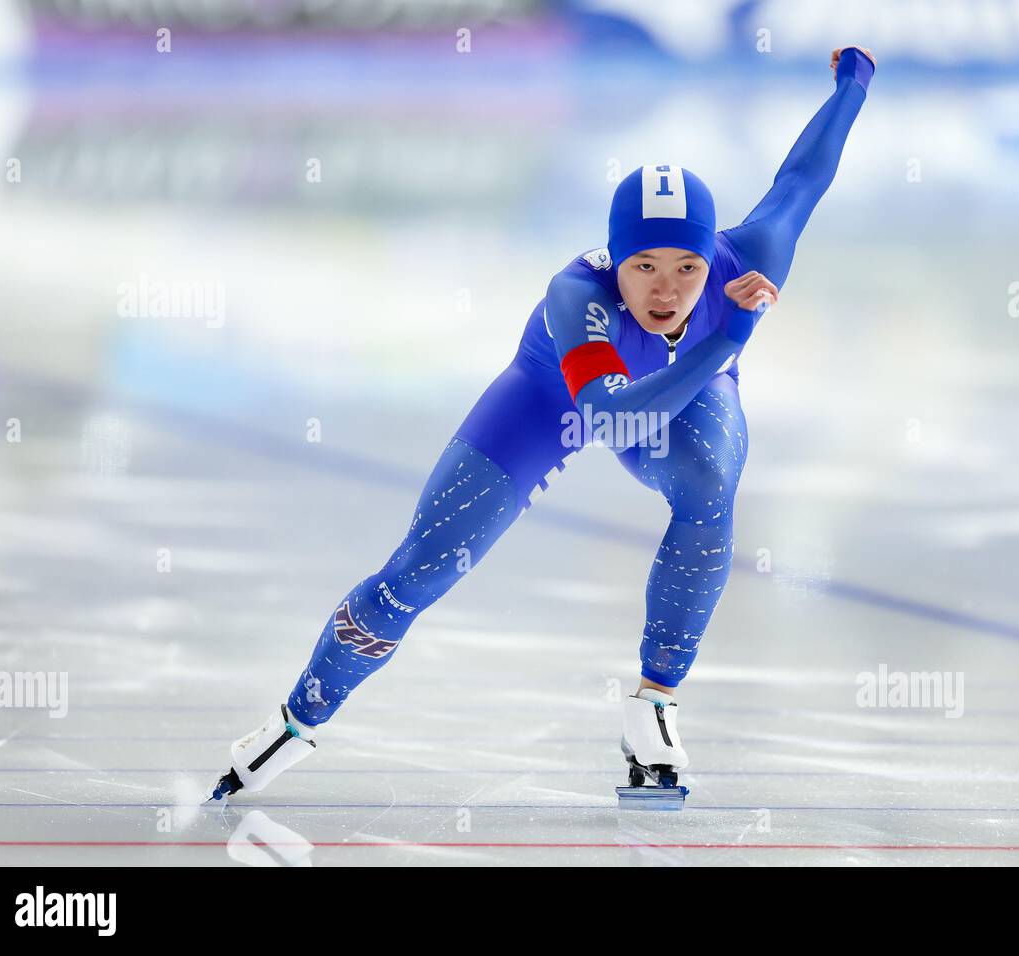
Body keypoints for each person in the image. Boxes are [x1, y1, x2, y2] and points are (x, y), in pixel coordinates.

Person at [208, 46, 876, 803]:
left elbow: (802, 180)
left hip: (690, 389)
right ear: (615, 259)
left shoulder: (747, 261)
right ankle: (295, 721)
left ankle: (654, 702)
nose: (666, 290)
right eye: (644, 266)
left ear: (709, 259)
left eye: (686, 267)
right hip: (555, 395)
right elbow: (620, 422)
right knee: (417, 572)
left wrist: (853, 82)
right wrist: (727, 339)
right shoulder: (576, 296)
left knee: (711, 482)